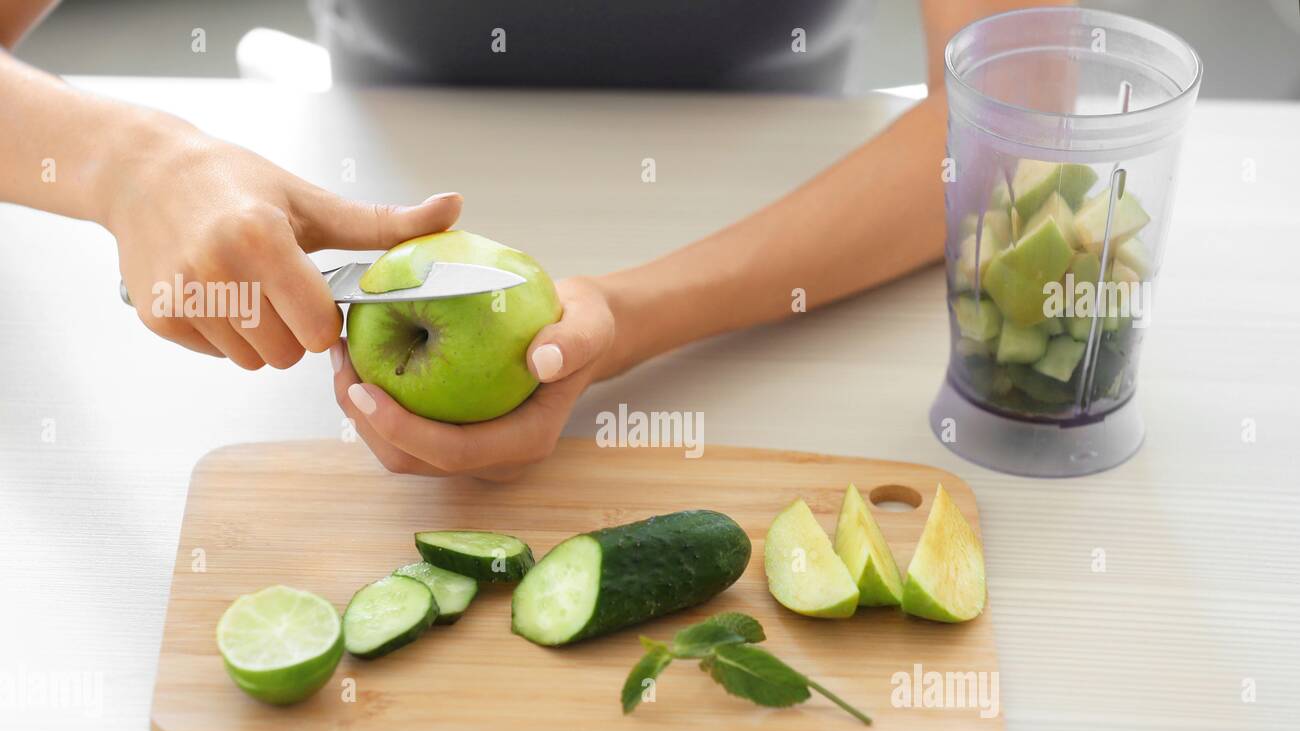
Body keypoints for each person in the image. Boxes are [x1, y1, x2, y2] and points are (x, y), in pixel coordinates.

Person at [0, 0, 1060, 480]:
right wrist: (124, 160)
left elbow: (1015, 108)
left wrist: (638, 313)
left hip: (793, 204)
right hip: (371, 156)